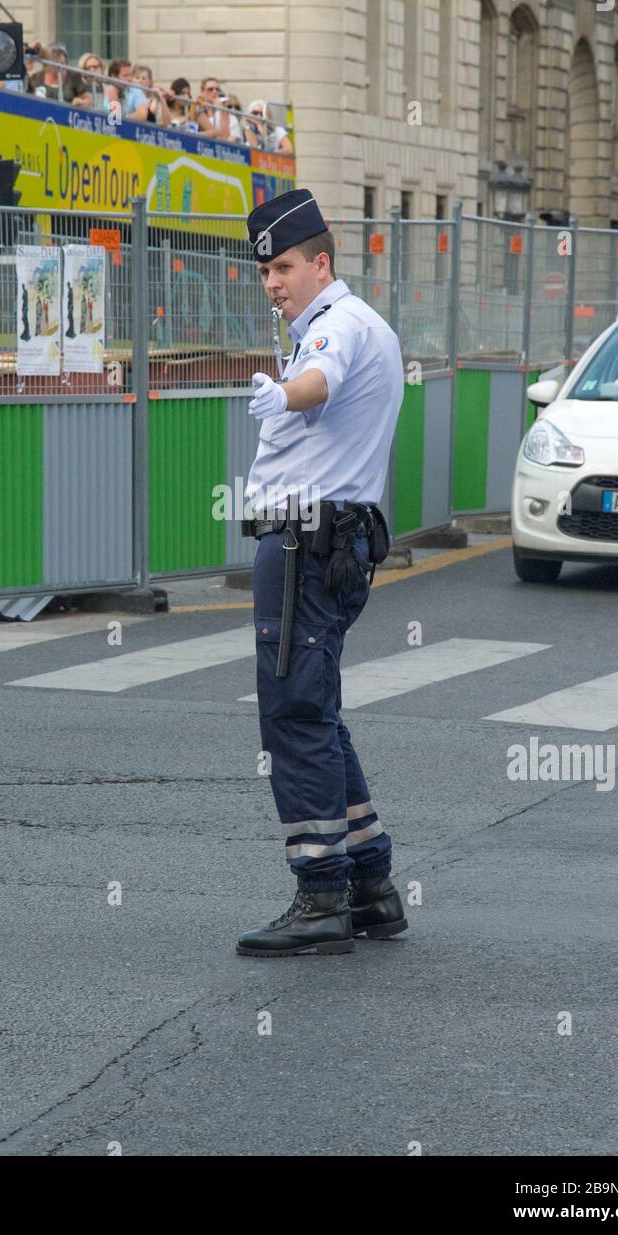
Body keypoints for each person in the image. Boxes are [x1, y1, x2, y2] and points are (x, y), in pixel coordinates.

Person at [235, 188, 407, 957]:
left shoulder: (335, 328)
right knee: (318, 710)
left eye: (283, 267)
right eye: (264, 271)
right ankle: (369, 884)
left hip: (307, 545)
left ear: (320, 264)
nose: (272, 283)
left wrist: (280, 392)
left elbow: (317, 388)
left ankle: (319, 898)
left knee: (294, 714)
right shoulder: (343, 323)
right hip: (327, 541)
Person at [195, 75, 231, 139]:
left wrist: (221, 110)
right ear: (202, 92)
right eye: (210, 89)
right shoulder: (196, 107)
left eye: (217, 89)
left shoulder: (223, 111)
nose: (215, 92)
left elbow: (224, 138)